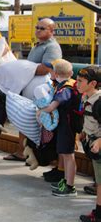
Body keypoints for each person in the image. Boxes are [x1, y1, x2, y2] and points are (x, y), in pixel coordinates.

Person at [4, 17, 62, 165]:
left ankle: (49, 159)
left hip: (42, 93)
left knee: (42, 125)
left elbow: (46, 69)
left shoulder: (52, 47)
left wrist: (22, 69)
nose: (38, 30)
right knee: (25, 119)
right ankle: (22, 152)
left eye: (42, 28)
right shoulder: (38, 45)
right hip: (30, 88)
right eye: (37, 27)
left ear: (51, 31)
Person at [38, 60, 77, 197]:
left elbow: (51, 107)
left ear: (55, 73)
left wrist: (40, 110)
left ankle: (70, 186)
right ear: (71, 73)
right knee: (66, 155)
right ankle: (66, 182)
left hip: (67, 127)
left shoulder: (64, 89)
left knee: (68, 155)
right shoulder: (69, 84)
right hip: (66, 126)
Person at [76, 66, 101, 222]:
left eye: (80, 81)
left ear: (92, 83)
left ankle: (99, 216)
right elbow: (90, 122)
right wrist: (82, 135)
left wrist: (99, 141)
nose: (77, 84)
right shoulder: (88, 98)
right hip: (93, 144)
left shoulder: (98, 102)